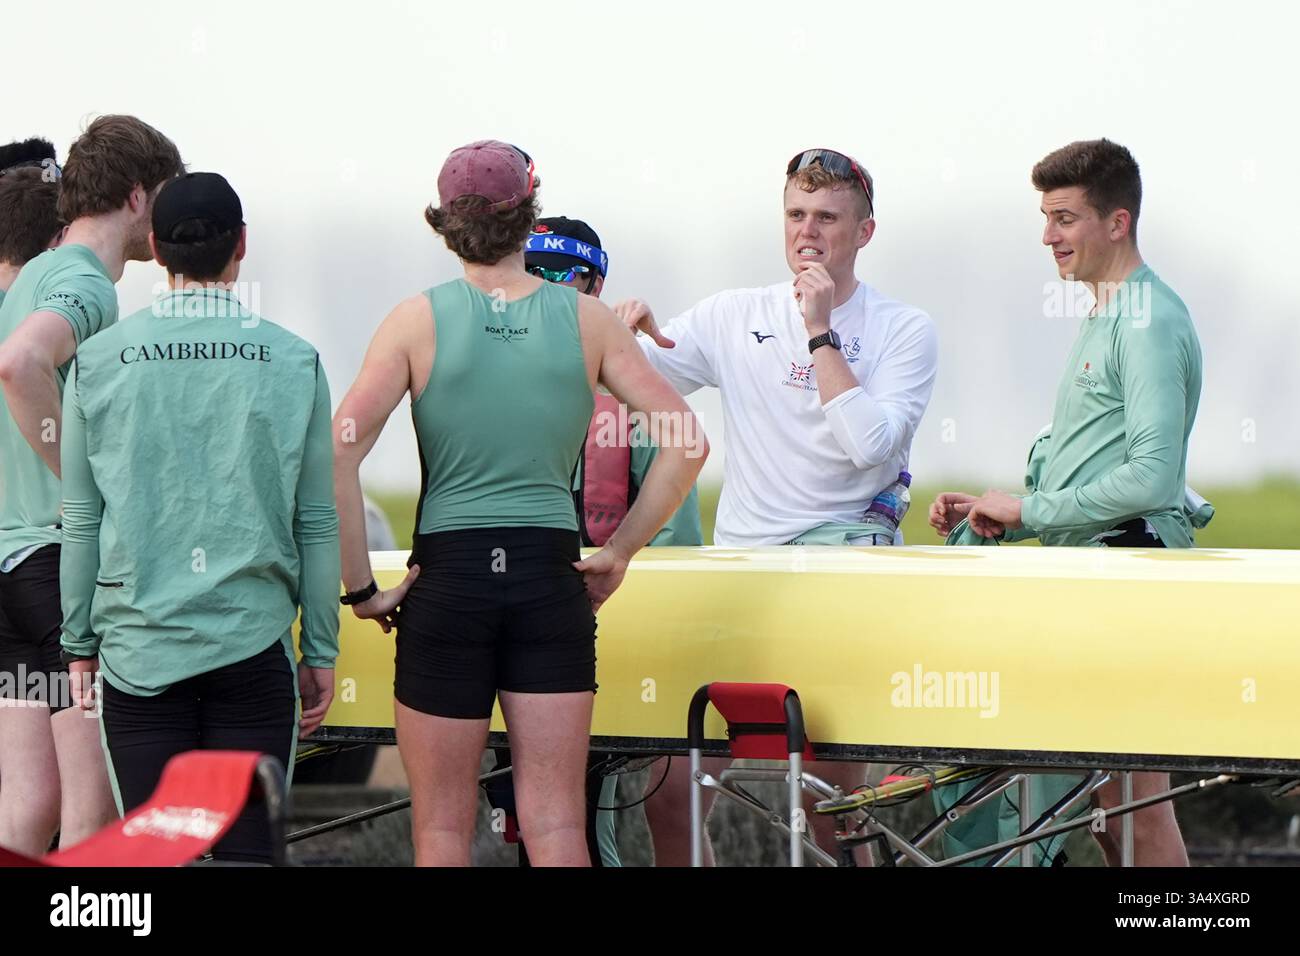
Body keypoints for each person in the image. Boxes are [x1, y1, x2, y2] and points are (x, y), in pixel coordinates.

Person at [332, 141, 706, 866]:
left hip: (449, 580)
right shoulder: (588, 322)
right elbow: (686, 442)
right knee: (557, 823)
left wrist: (361, 590)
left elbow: (339, 453)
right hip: (548, 578)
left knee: (442, 828)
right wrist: (620, 550)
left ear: (444, 223)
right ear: (527, 213)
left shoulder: (415, 321)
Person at [615, 147, 938, 862]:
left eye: (827, 217)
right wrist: (613, 328)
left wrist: (819, 329)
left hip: (841, 568)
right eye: (796, 214)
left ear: (865, 231)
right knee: (670, 791)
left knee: (825, 805)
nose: (808, 232)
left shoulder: (904, 330)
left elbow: (869, 445)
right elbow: (623, 382)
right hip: (743, 571)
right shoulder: (735, 314)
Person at [928, 138, 1201, 867]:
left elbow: (1151, 476)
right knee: (1117, 811)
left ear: (1117, 222)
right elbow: (1094, 467)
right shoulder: (1109, 312)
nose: (1047, 236)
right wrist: (1005, 510)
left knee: (1136, 804)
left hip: (1131, 568)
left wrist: (1030, 512)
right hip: (1098, 570)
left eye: (1064, 218)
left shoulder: (1147, 319)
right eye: (1045, 218)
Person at [59, 172, 340, 864]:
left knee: (158, 861)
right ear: (241, 245)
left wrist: (77, 641)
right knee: (250, 857)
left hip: (138, 652)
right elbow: (318, 520)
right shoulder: (294, 359)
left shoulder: (96, 363)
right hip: (252, 646)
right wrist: (322, 650)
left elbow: (82, 519)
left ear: (155, 248)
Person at [483, 215, 704, 866]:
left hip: (595, 638)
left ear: (597, 283)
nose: (552, 290)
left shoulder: (632, 394)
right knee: (517, 820)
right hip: (498, 631)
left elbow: (676, 542)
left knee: (574, 821)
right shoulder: (484, 384)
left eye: (568, 278)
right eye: (536, 274)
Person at [0, 116, 181, 856]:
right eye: (164, 200)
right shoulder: (83, 282)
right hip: (56, 569)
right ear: (137, 197)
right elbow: (19, 366)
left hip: (11, 568)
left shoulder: (36, 272)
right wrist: (87, 488)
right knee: (93, 814)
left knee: (26, 807)